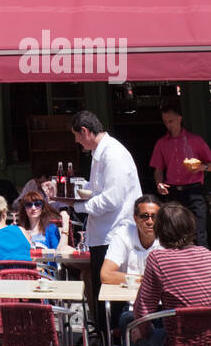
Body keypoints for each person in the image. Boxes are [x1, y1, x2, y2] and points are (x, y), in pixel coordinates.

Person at [108, 203, 211, 346]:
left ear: (161, 231)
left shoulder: (158, 260)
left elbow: (143, 312)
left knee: (127, 322)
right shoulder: (207, 255)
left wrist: (138, 334)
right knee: (184, 345)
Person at [71, 109, 142, 314]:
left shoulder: (113, 154)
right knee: (101, 295)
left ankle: (113, 341)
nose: (77, 141)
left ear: (84, 131)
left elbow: (112, 198)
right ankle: (105, 339)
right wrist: (69, 191)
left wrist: (79, 207)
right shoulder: (100, 153)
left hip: (114, 235)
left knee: (111, 298)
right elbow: (96, 189)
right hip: (103, 234)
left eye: (76, 136)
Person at [150, 99, 211, 249]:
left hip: (194, 191)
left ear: (179, 119)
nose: (168, 125)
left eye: (171, 121)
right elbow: (158, 169)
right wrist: (159, 183)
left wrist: (201, 167)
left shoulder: (195, 141)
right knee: (173, 233)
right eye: (165, 122)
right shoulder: (162, 143)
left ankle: (205, 270)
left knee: (199, 234)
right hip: (173, 193)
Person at [100, 195, 161, 287]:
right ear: (135, 218)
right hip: (126, 297)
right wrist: (145, 280)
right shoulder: (123, 235)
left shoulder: (167, 237)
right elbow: (105, 275)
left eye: (154, 216)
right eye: (144, 216)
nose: (150, 221)